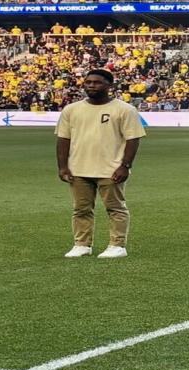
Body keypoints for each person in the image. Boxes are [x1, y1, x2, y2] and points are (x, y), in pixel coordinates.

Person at [56, 68, 144, 259]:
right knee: (81, 209)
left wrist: (125, 165)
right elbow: (63, 139)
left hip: (110, 169)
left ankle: (117, 245)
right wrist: (63, 166)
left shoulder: (125, 109)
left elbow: (133, 139)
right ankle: (82, 244)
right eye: (88, 82)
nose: (91, 86)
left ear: (109, 85)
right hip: (78, 168)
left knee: (115, 208)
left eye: (96, 83)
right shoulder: (71, 109)